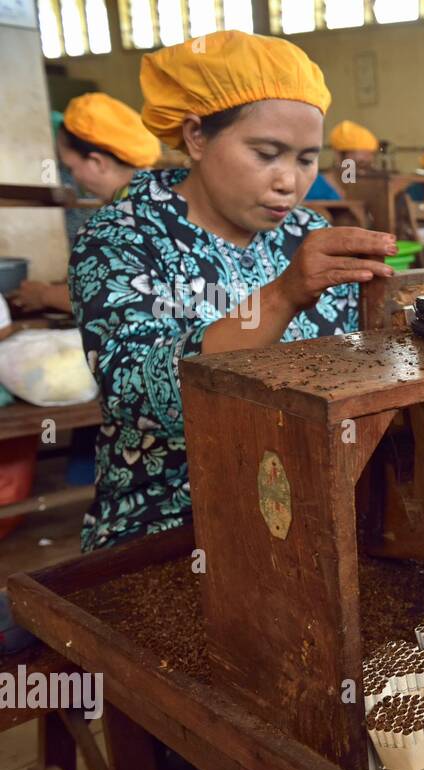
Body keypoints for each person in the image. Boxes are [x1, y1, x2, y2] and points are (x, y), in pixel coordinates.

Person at [69, 30, 395, 553]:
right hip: (172, 522)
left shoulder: (303, 234)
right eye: (267, 153)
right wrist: (281, 297)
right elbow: (140, 398)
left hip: (313, 507)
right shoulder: (122, 236)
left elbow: (351, 366)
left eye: (307, 159)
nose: (289, 181)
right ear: (196, 136)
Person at [10, 94, 160, 315]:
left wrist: (44, 294)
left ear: (97, 162)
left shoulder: (128, 214)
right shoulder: (156, 192)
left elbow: (116, 297)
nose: (74, 178)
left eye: (71, 168)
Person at [304, 119, 379, 200]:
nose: (363, 173)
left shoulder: (367, 191)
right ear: (338, 156)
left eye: (368, 167)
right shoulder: (312, 190)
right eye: (359, 165)